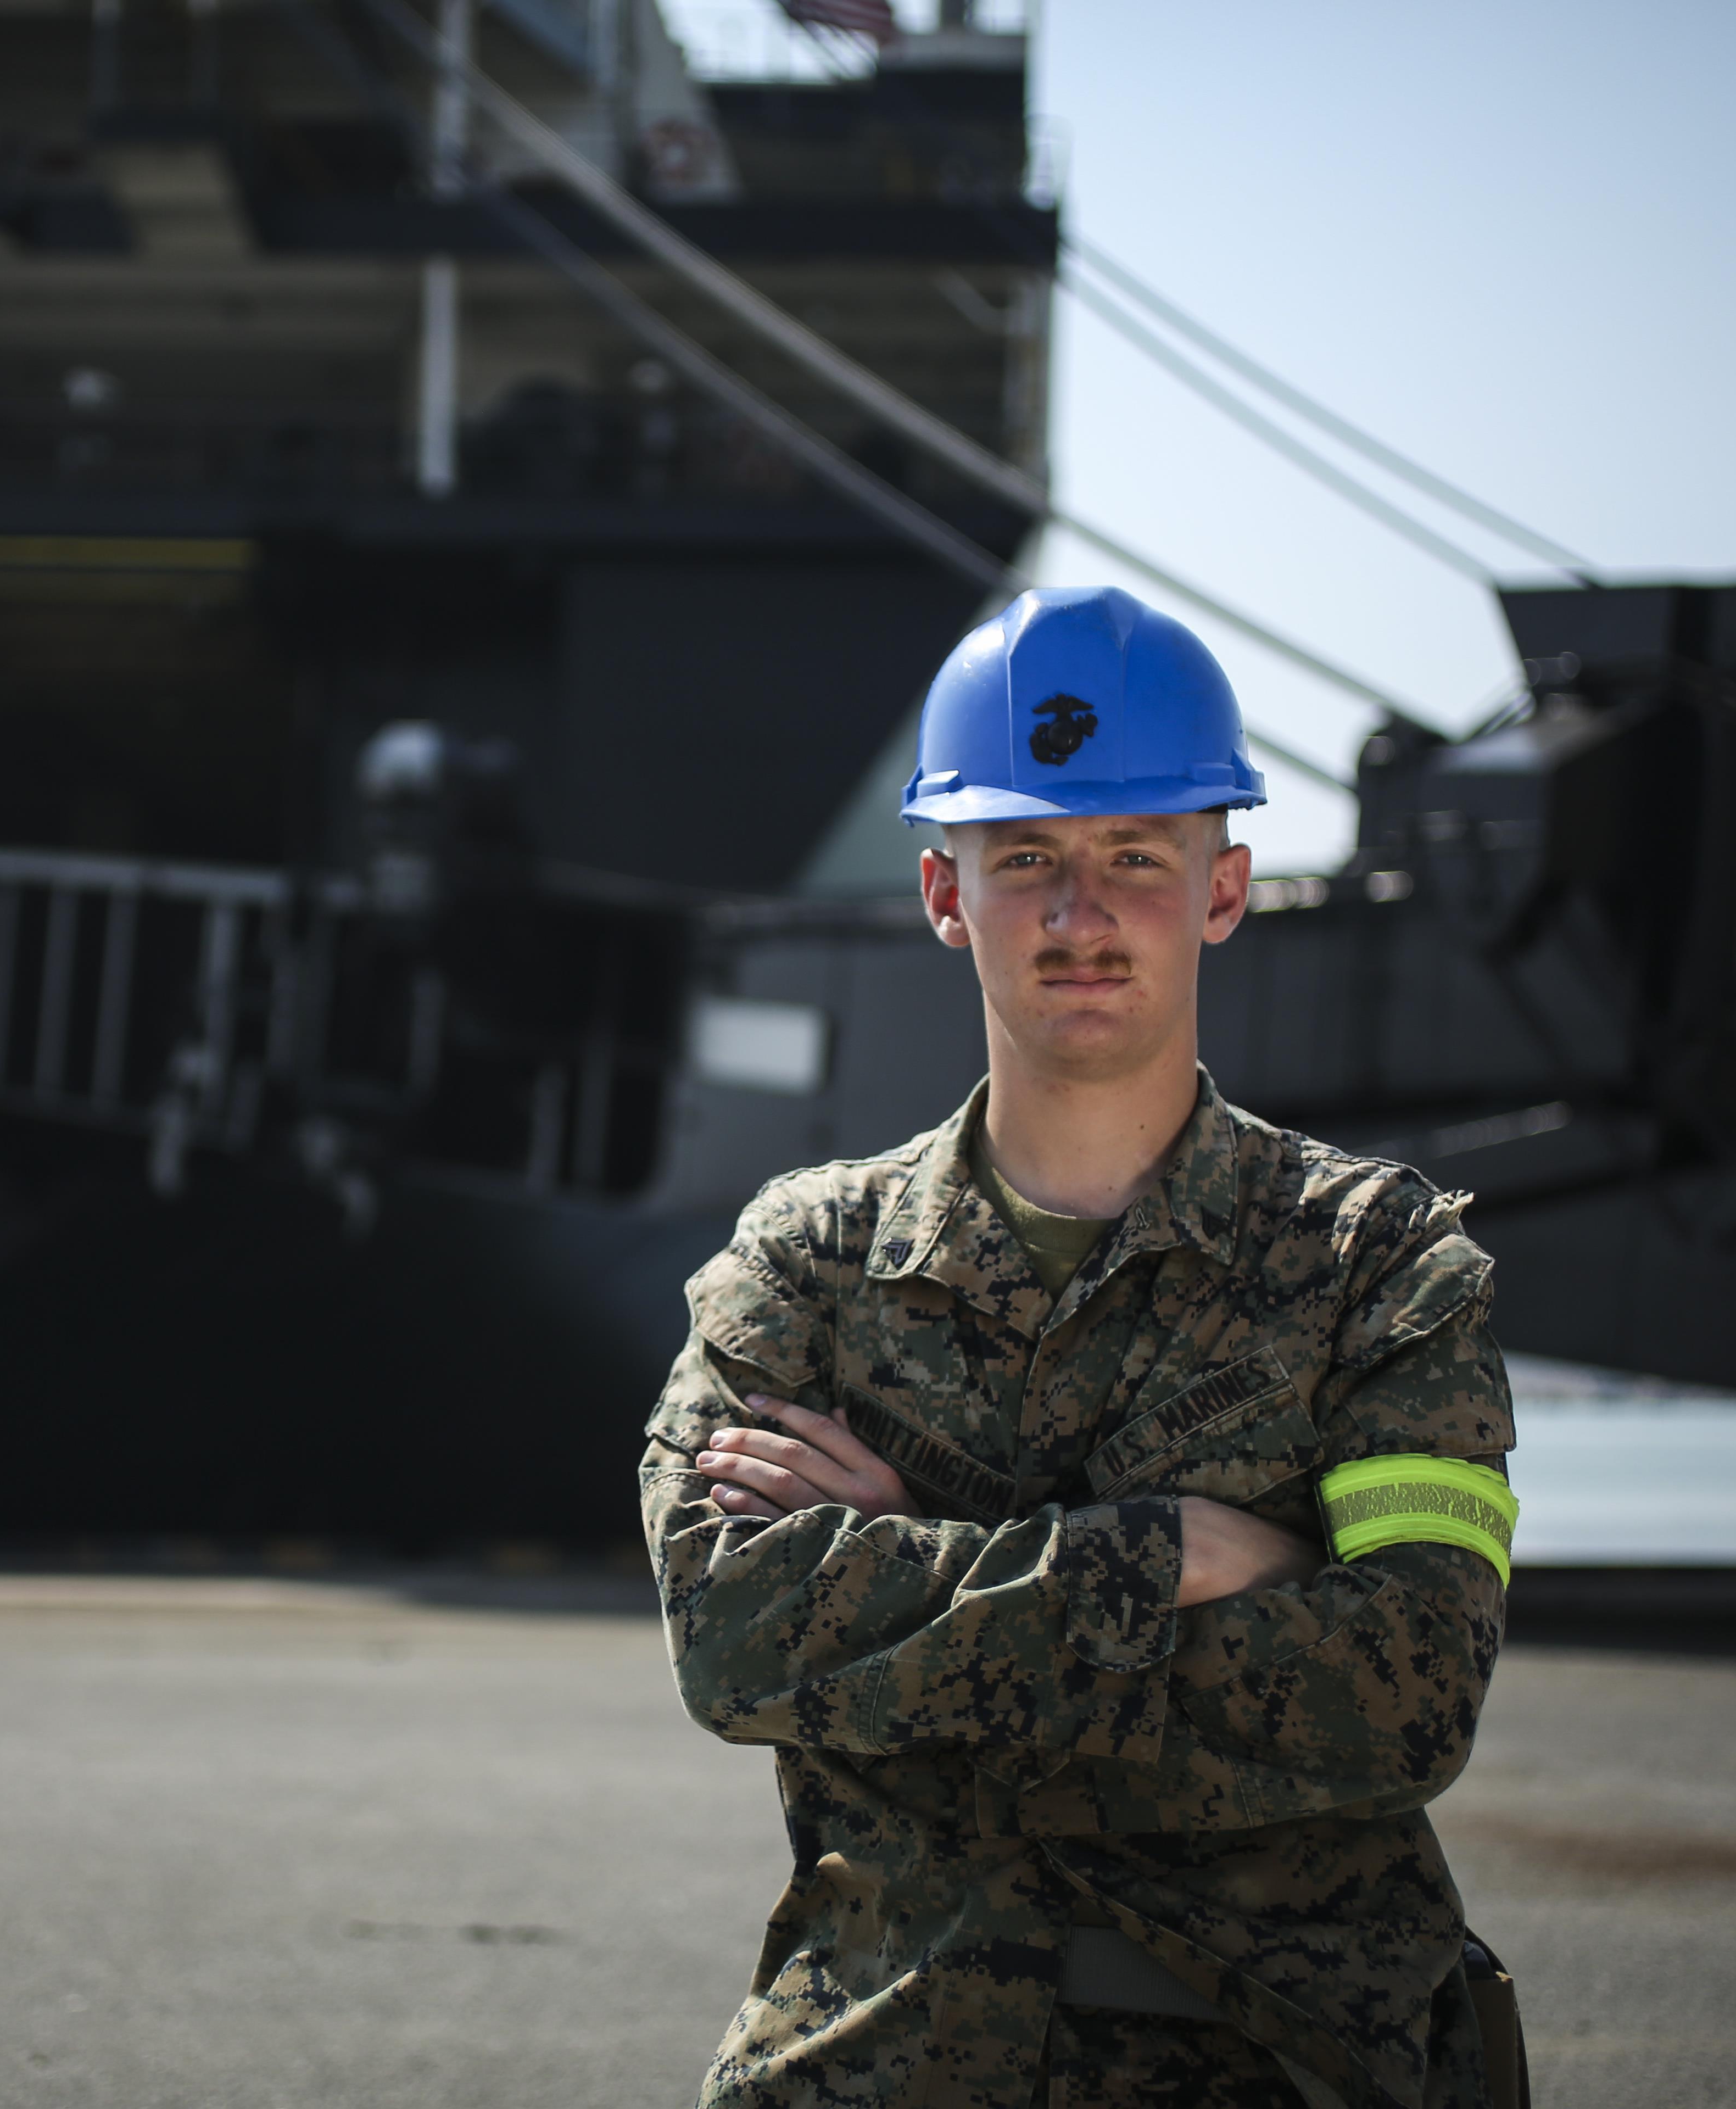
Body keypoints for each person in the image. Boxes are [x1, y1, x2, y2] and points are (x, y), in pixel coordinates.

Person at [640, 587, 1520, 2109]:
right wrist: (1164, 1552)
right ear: (942, 891)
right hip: (883, 2062)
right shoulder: (812, 1261)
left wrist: (918, 1574)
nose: (1079, 914)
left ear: (1226, 890)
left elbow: (1406, 1696)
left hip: (1283, 2067)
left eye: (1134, 859)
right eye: (1026, 860)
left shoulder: (1380, 1263)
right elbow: (734, 1641)